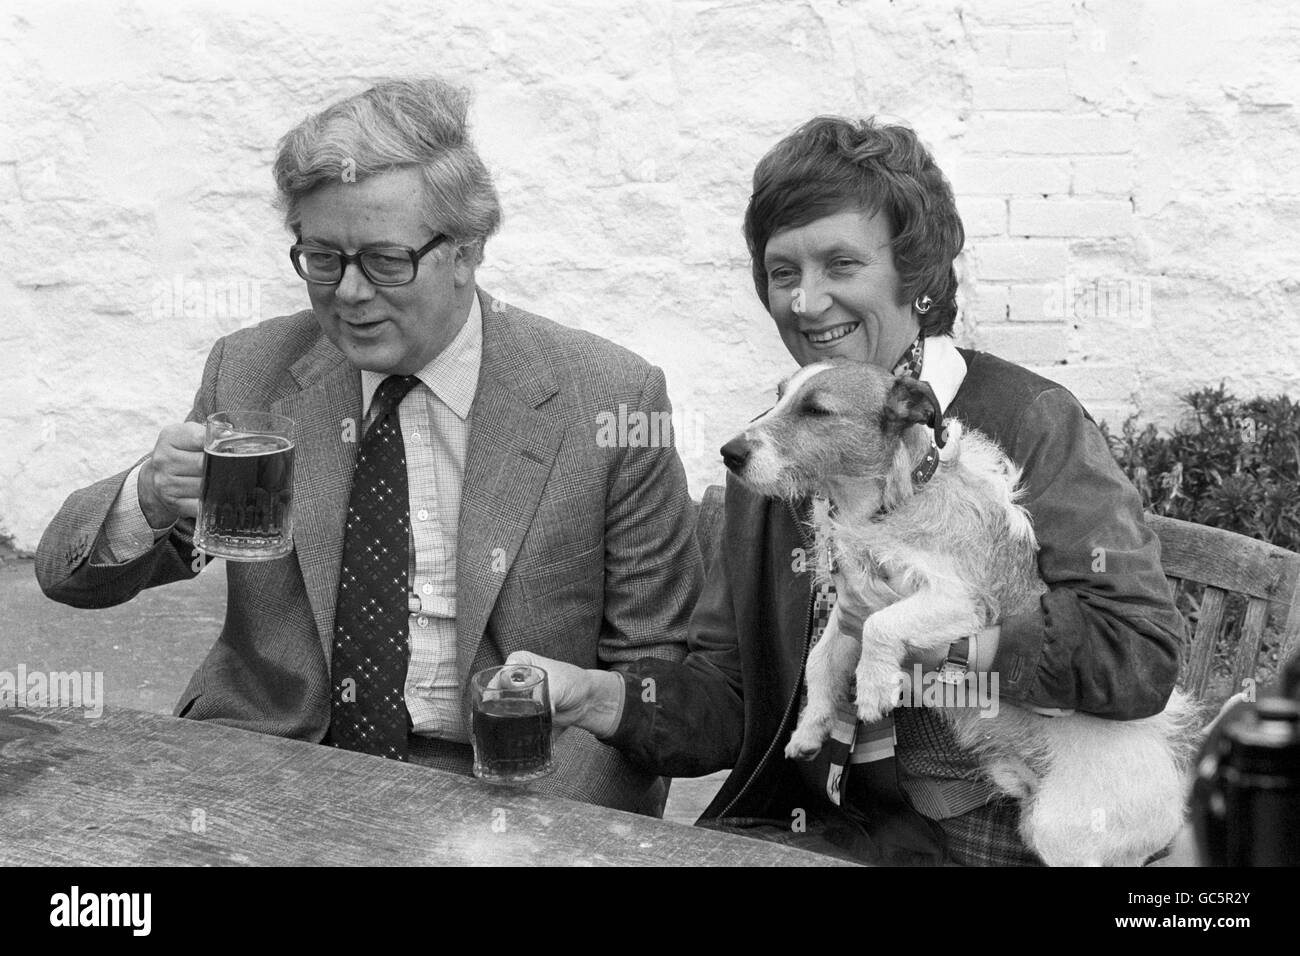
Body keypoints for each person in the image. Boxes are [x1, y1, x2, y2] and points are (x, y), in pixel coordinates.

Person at [516, 115, 1186, 864]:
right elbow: (732, 697)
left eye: (840, 264)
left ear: (916, 277)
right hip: (824, 833)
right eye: (781, 272)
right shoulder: (768, 461)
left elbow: (1142, 656)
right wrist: (598, 697)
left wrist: (948, 644)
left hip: (1001, 832)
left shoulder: (1031, 422)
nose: (804, 302)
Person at [35, 76, 702, 816]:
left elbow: (651, 672)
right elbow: (69, 578)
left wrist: (535, 831)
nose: (348, 292)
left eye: (386, 261)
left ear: (467, 250)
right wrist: (150, 498)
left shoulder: (609, 398)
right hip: (276, 765)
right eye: (322, 257)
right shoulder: (254, 372)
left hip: (515, 781)